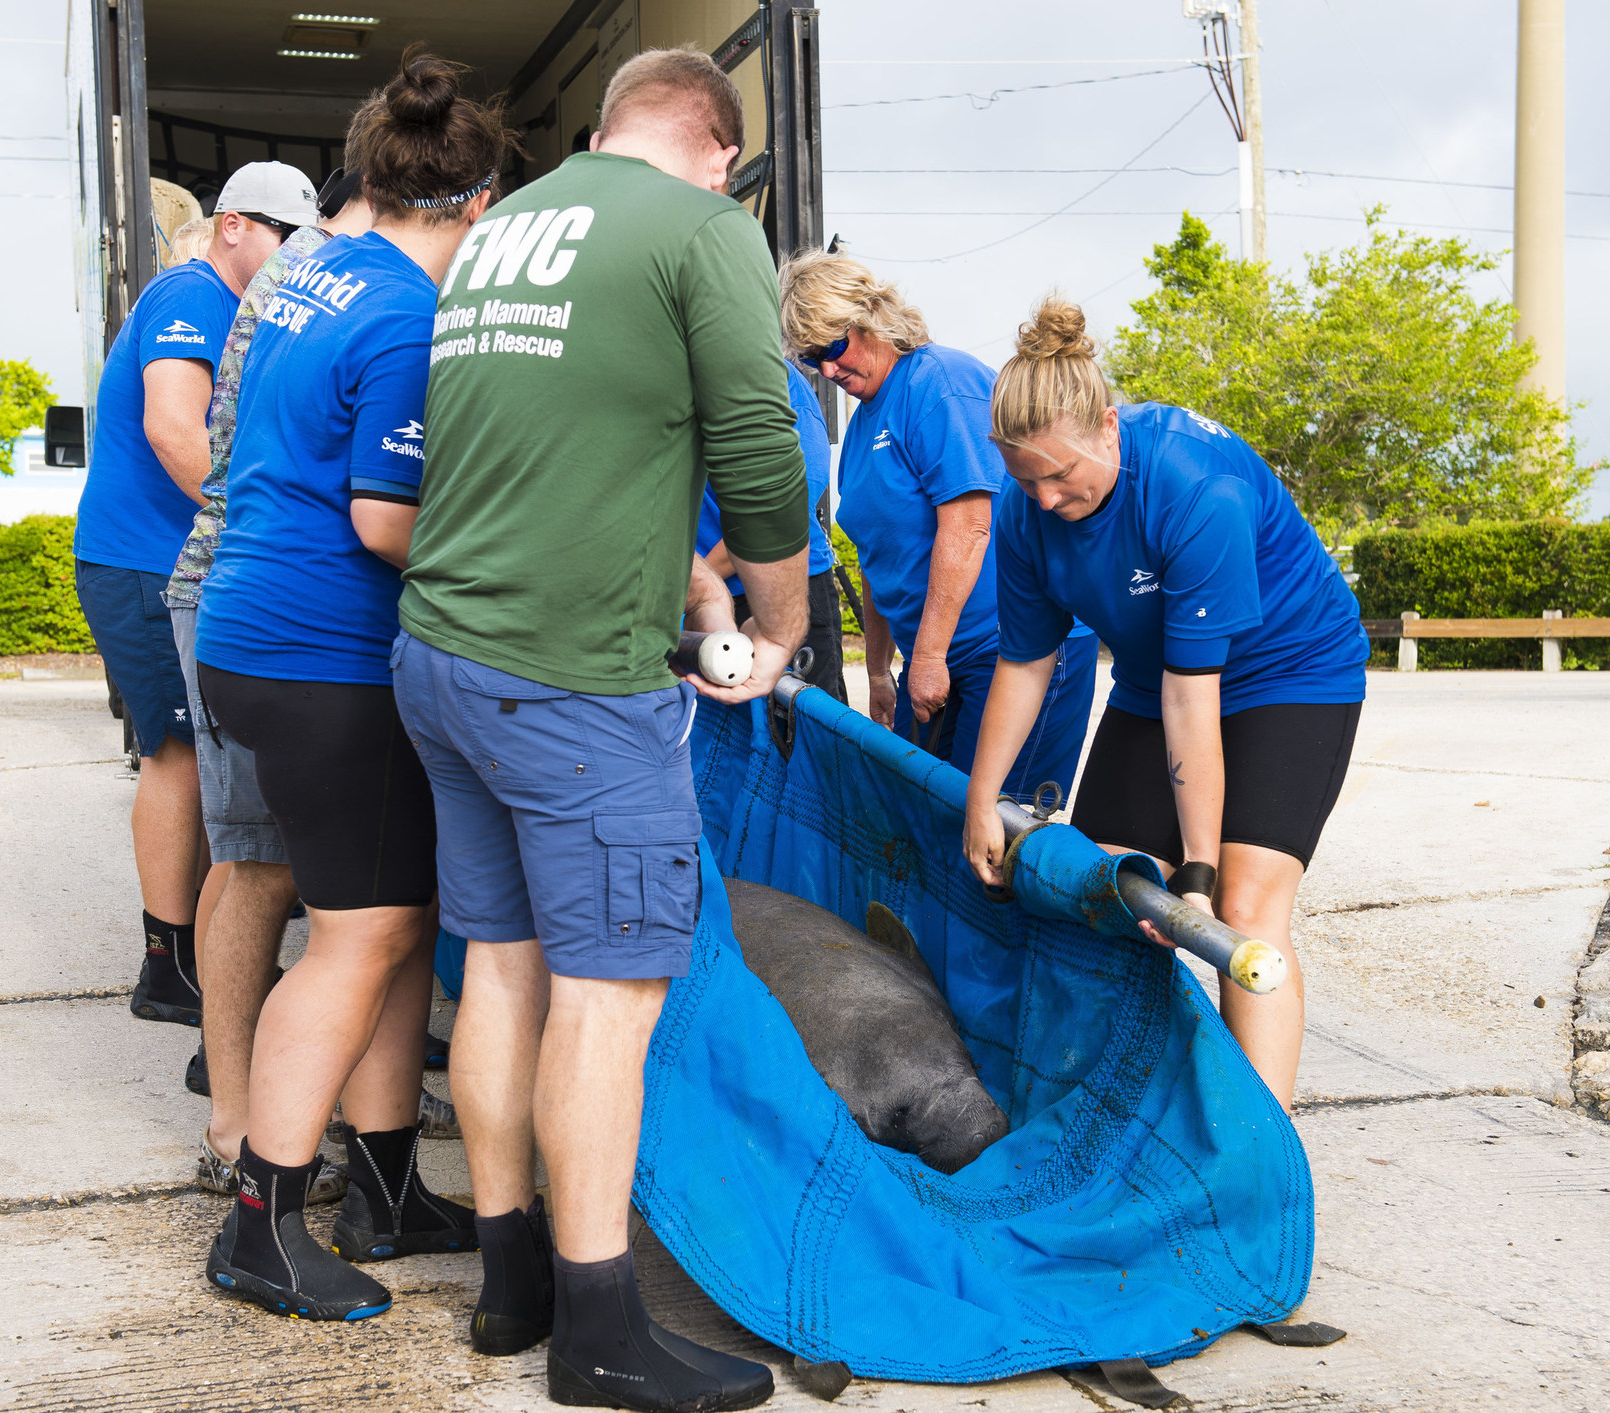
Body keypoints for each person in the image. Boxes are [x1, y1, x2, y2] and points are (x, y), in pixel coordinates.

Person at [394, 47, 805, 1413]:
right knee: (612, 995)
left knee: (501, 967)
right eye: (728, 171)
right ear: (713, 145)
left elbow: (555, 442)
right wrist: (781, 620)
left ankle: (513, 1283)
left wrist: (671, 566)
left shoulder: (504, 228)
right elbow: (756, 442)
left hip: (443, 654)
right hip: (571, 683)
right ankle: (600, 1327)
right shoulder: (703, 229)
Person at [190, 54, 504, 1321]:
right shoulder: (406, 315)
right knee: (359, 938)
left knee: (400, 917)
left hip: (250, 627)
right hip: (326, 653)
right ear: (474, 205)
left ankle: (383, 1187)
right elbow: (387, 520)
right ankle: (261, 1223)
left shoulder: (306, 271)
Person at [960, 297, 1369, 1108]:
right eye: (1025, 477)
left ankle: (1258, 1150)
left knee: (1241, 906)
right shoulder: (1024, 508)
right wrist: (980, 801)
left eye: (1061, 475)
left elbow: (1196, 705)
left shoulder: (1193, 487)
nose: (1043, 498)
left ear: (1109, 428)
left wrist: (1198, 873)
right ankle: (1113, 1114)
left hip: (1289, 673)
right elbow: (1025, 663)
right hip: (1156, 678)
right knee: (1101, 888)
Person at [163, 149, 369, 1202]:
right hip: (254, 598)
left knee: (301, 872)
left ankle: (315, 1092)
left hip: (266, 598)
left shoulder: (317, 282)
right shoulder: (331, 286)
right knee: (257, 863)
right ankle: (235, 1122)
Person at [76, 161, 314, 1029]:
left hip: (175, 561)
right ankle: (167, 963)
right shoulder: (191, 296)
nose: (294, 257)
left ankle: (198, 954)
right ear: (233, 226)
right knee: (177, 757)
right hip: (143, 561)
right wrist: (258, 525)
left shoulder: (247, 308)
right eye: (282, 238)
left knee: (204, 764)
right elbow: (175, 429)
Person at [781, 253, 1096, 802]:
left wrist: (925, 659)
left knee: (990, 827)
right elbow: (882, 559)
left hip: (1012, 645)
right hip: (940, 652)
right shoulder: (860, 429)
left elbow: (970, 525)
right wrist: (880, 671)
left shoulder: (939, 383)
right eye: (813, 360)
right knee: (915, 816)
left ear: (873, 315)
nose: (828, 371)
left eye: (833, 349)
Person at [695, 362, 848, 700]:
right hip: (700, 591)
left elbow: (792, 498)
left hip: (784, 584)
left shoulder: (777, 377)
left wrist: (693, 582)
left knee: (807, 730)